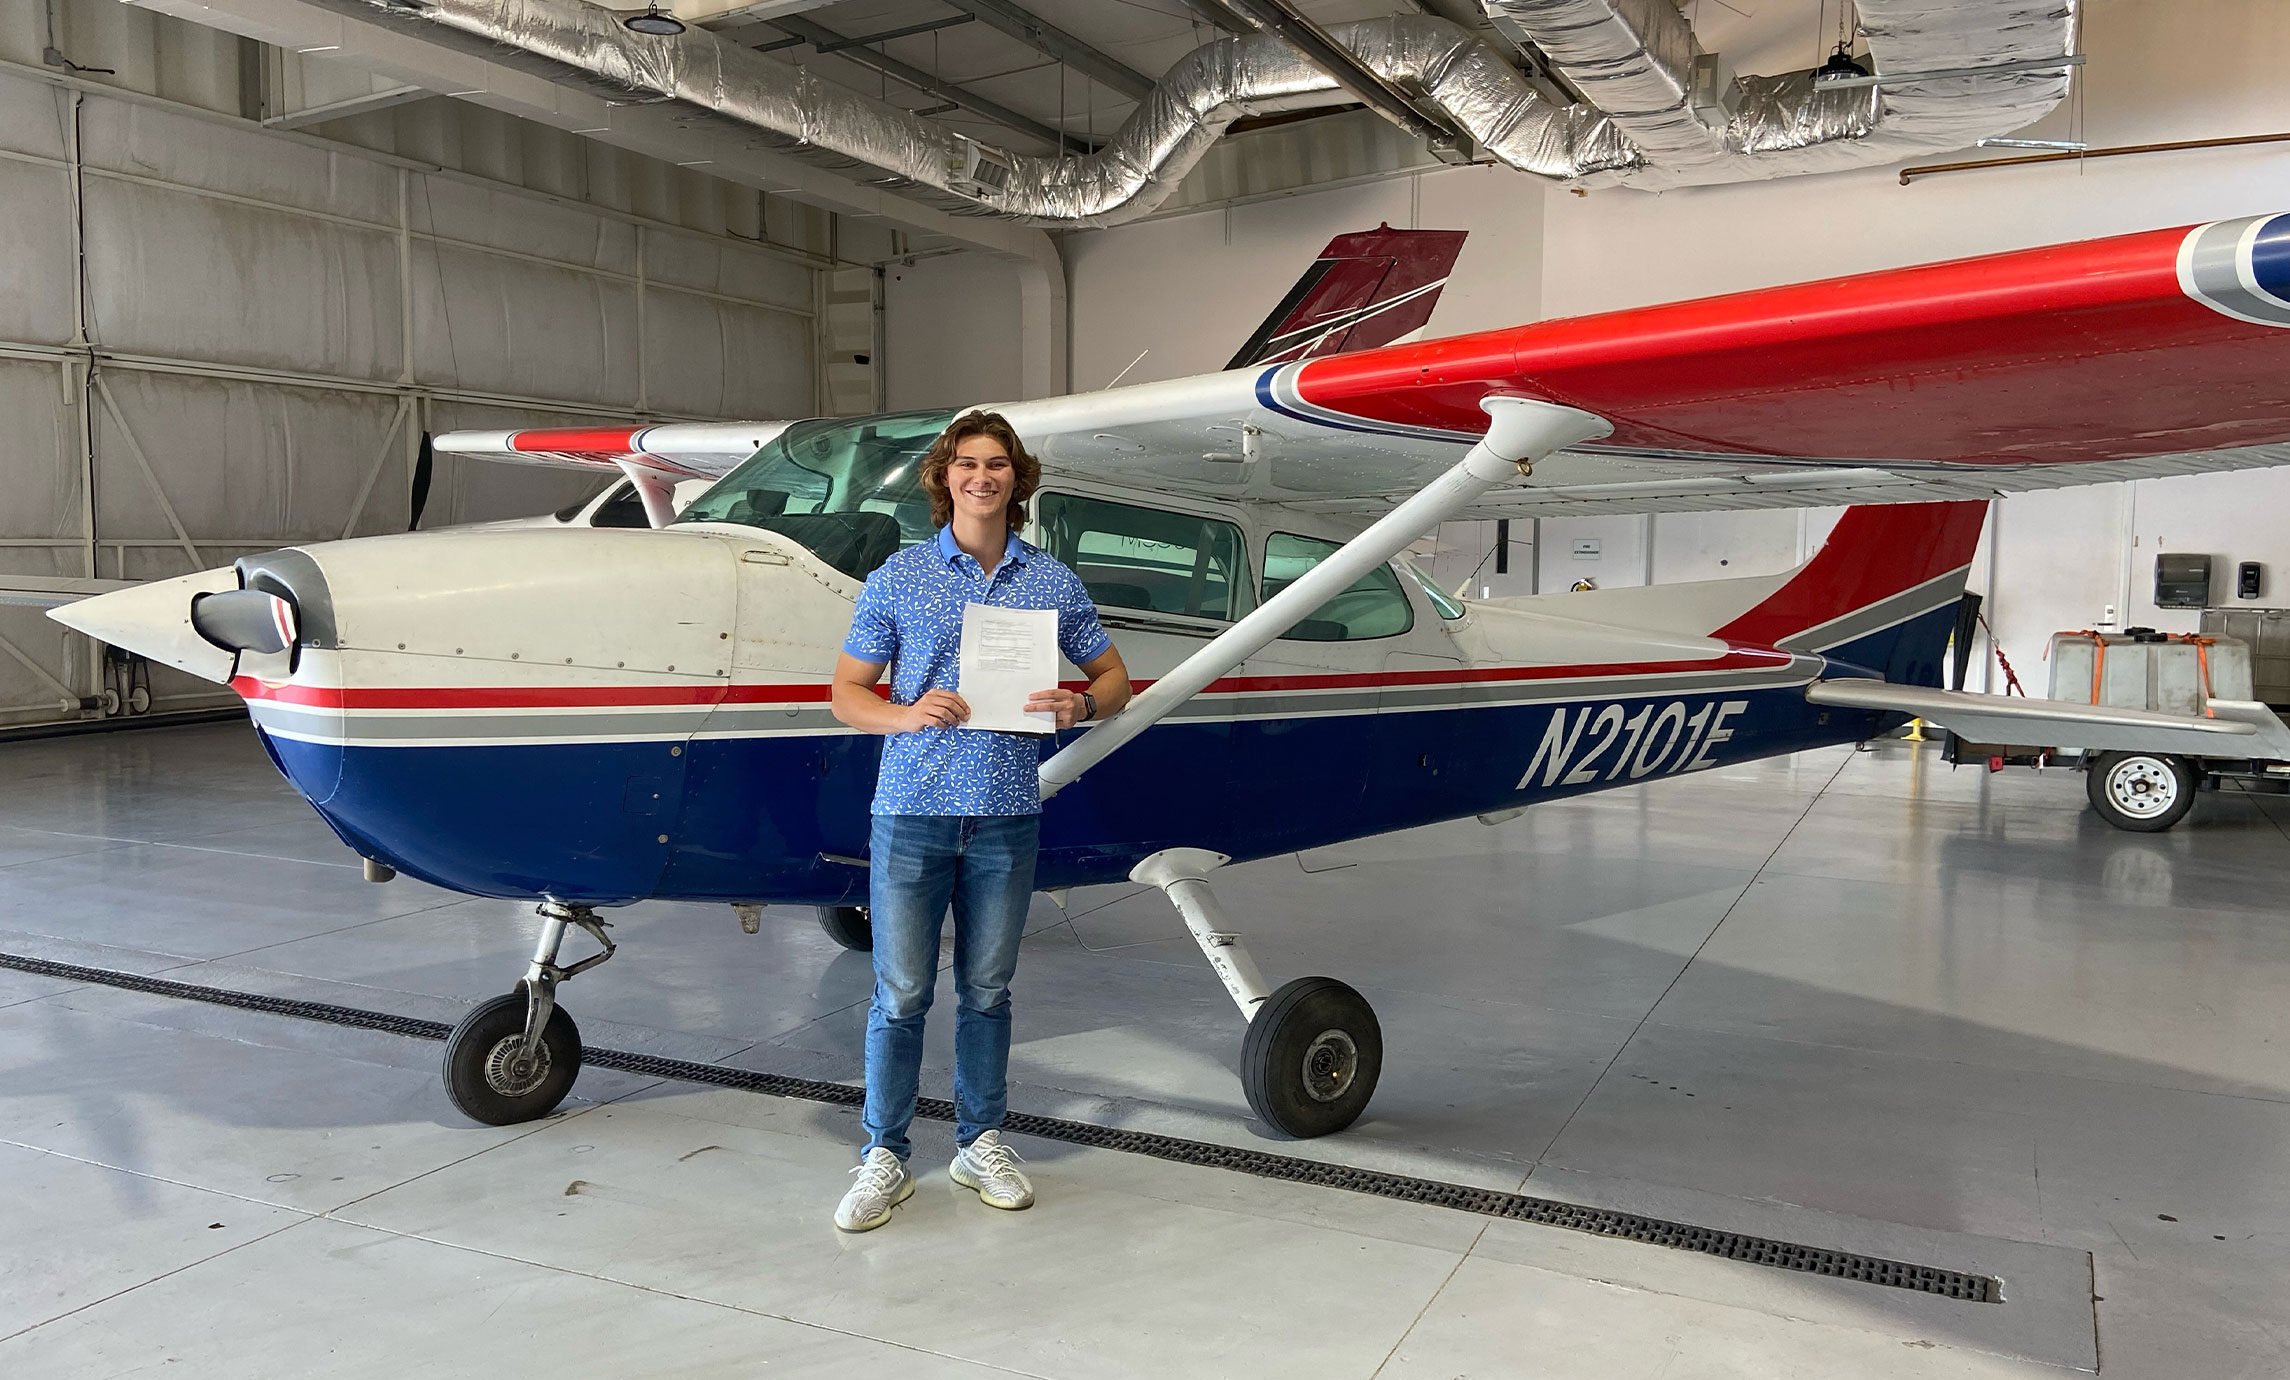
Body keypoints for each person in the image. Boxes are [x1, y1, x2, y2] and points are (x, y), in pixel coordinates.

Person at [827, 410, 1130, 1232]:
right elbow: (846, 693)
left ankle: (979, 1141)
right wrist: (906, 713)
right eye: (967, 463)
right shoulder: (900, 575)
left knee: (989, 992)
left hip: (1004, 815)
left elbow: (1115, 680)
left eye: (997, 464)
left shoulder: (1051, 582)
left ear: (1016, 480)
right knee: (902, 993)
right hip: (912, 810)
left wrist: (1079, 703)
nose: (982, 477)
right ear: (945, 476)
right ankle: (883, 1157)